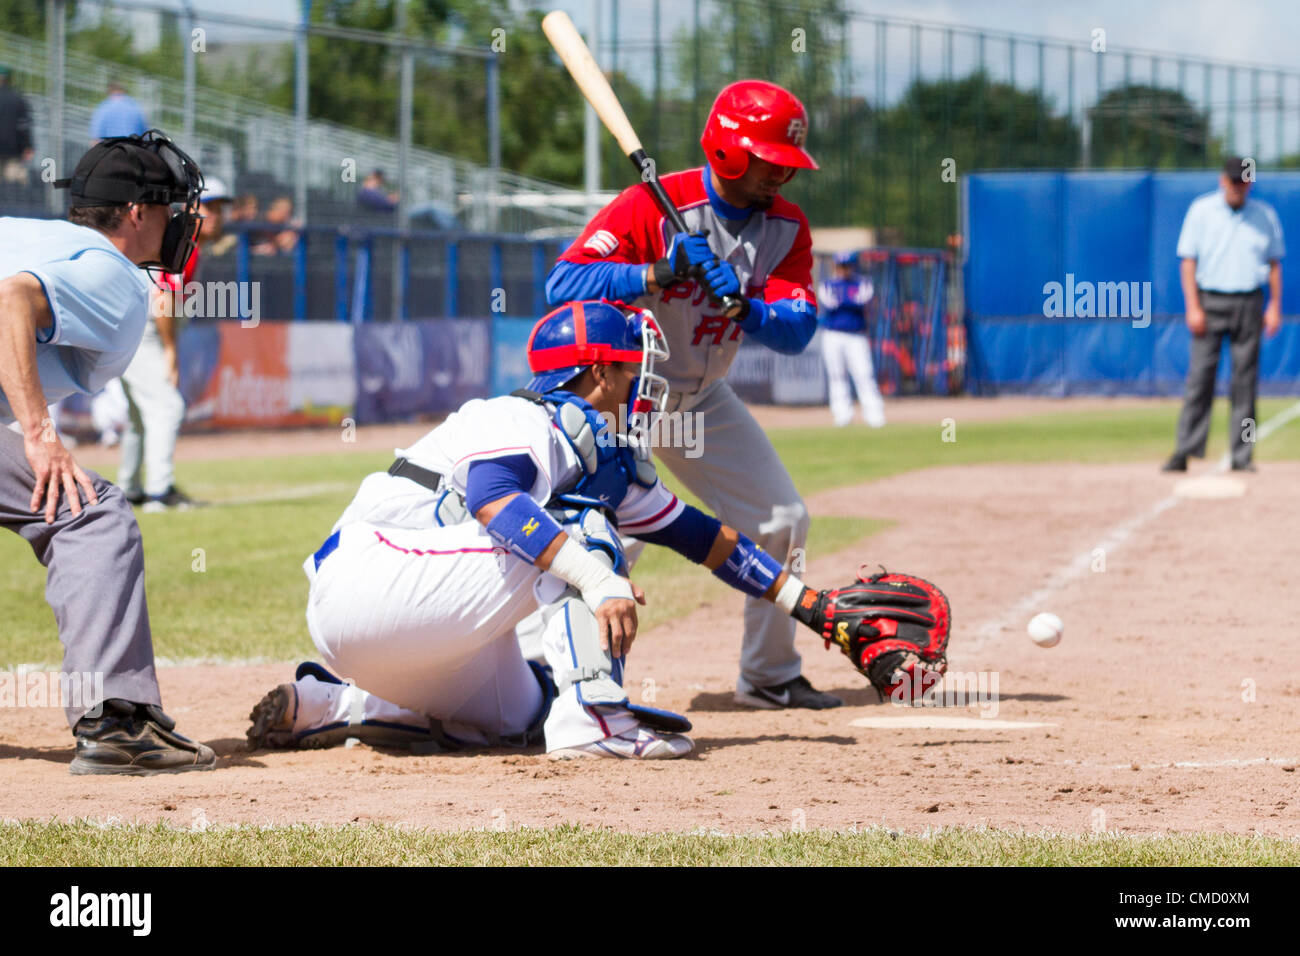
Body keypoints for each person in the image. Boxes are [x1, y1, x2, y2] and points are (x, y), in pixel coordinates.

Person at [247, 301, 882, 759]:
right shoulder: (519, 417)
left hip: (400, 642)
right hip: (367, 580)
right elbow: (493, 497)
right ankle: (595, 719)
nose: (643, 383)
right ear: (598, 373)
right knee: (582, 528)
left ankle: (340, 707)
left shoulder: (603, 457)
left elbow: (710, 542)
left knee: (526, 713)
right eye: (632, 370)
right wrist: (597, 575)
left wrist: (822, 614)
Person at [542, 80, 840, 711]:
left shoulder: (786, 227)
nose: (781, 178)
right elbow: (562, 281)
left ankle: (769, 675)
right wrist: (656, 271)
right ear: (730, 151)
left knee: (784, 520)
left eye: (789, 165)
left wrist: (747, 307)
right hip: (626, 400)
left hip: (703, 400)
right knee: (604, 541)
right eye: (770, 163)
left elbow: (797, 330)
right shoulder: (651, 205)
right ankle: (533, 679)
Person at [0, 130, 213, 774]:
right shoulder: (113, 273)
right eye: (171, 208)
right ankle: (117, 720)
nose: (180, 221)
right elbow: (11, 300)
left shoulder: (25, 232)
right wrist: (40, 436)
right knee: (91, 514)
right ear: (137, 213)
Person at [1164, 156, 1285, 473]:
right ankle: (1185, 449)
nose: (1237, 186)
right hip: (1210, 301)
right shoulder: (1202, 211)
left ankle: (1242, 456)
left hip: (1249, 302)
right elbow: (1187, 260)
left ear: (1250, 183)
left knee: (1246, 385)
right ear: (1222, 180)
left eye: (1243, 180)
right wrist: (1192, 306)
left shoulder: (1264, 216)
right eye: (1232, 180)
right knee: (1200, 380)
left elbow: (1274, 264)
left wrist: (1274, 305)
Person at [118, 178, 230, 511]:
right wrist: (171, 352)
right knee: (168, 407)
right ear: (193, 208)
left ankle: (131, 489)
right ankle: (159, 493)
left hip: (132, 326)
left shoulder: (183, 239)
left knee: (141, 415)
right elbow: (164, 300)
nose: (219, 216)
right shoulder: (185, 242)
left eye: (223, 209)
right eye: (212, 207)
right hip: (145, 330)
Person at [817, 251, 886, 427]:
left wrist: (845, 302)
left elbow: (862, 300)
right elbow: (830, 303)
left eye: (847, 265)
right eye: (841, 266)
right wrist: (849, 302)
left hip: (856, 335)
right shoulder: (828, 284)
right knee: (837, 375)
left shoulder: (862, 282)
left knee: (864, 373)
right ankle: (842, 415)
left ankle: (874, 415)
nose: (844, 269)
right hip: (833, 335)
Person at [0, 66, 33, 185]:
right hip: (13, 148)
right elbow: (24, 125)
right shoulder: (17, 98)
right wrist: (28, 145)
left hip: (11, 148)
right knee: (15, 189)